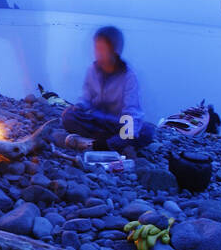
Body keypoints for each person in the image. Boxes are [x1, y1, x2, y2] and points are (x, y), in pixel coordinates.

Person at [59, 25, 155, 154]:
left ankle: (106, 144)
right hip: (97, 121)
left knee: (146, 132)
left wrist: (124, 135)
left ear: (115, 50)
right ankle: (106, 143)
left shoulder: (128, 76)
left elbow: (131, 110)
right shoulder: (92, 70)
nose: (97, 53)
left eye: (102, 49)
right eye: (96, 48)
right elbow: (87, 97)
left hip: (118, 124)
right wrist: (80, 106)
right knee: (68, 115)